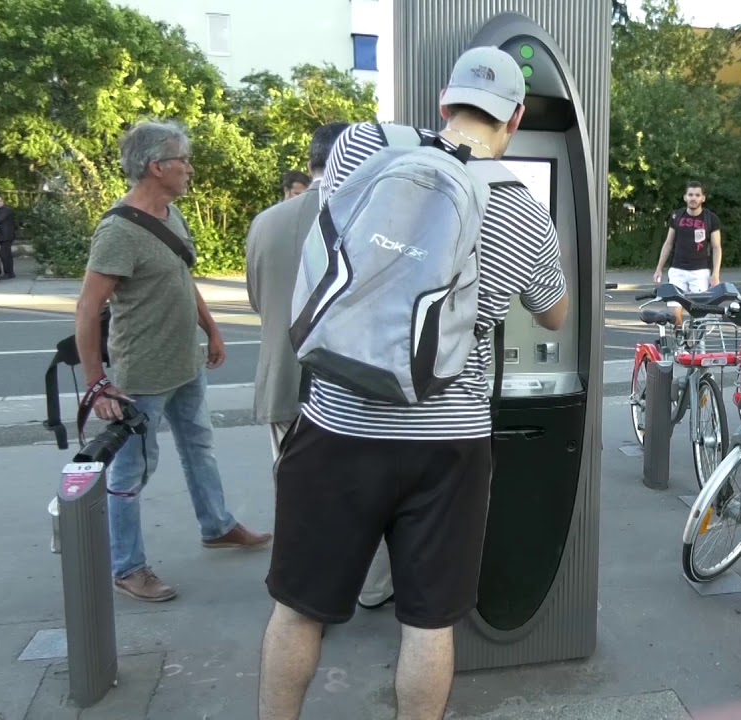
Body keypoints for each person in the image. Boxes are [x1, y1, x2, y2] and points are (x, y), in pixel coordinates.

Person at [257, 46, 568, 720]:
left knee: (299, 610)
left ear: (444, 102)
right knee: (428, 624)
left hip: (338, 423)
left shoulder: (360, 146)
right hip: (448, 441)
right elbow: (554, 314)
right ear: (515, 119)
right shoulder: (527, 213)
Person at [74, 120, 272, 603]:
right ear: (156, 167)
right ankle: (127, 567)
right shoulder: (119, 230)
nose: (190, 168)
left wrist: (212, 329)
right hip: (142, 373)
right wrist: (97, 384)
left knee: (199, 446)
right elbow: (87, 307)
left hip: (185, 363)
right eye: (183, 160)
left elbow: (183, 279)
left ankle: (217, 525)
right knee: (131, 472)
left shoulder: (170, 214)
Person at [245, 121, 394, 612]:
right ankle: (371, 588)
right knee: (364, 493)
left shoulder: (265, 222)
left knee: (296, 494)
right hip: (349, 386)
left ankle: (303, 592)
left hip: (282, 383)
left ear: (311, 162)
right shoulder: (370, 217)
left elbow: (257, 300)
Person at [652, 181, 722, 325]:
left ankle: (697, 339)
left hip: (700, 272)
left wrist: (715, 274)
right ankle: (679, 337)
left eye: (697, 195)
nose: (693, 198)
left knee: (699, 316)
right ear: (685, 197)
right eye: (690, 195)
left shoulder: (711, 219)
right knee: (675, 314)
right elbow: (668, 243)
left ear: (703, 198)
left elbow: (716, 247)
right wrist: (659, 268)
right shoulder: (677, 216)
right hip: (677, 270)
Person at [0, 196, 17, 278]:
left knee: (4, 254)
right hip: (1, 236)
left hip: (7, 235)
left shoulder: (7, 210)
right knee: (6, 254)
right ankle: (9, 273)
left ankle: (8, 273)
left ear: (3, 201)